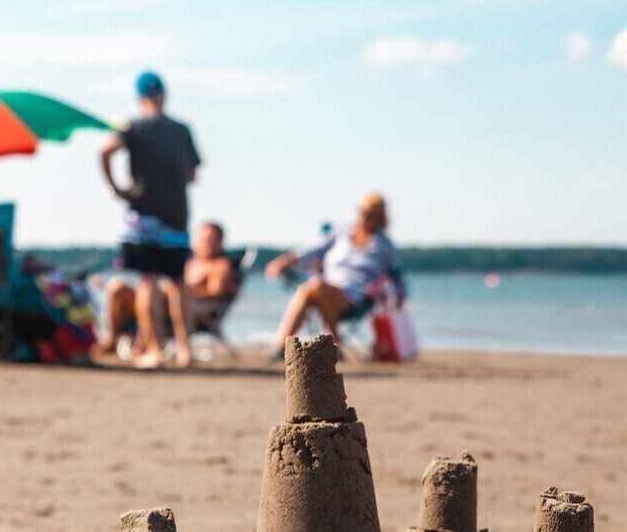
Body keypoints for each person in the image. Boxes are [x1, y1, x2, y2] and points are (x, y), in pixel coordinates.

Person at [100, 71, 202, 368]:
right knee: (179, 281)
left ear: (140, 97)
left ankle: (155, 350)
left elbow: (105, 150)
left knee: (148, 282)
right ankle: (185, 350)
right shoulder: (182, 130)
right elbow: (192, 175)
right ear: (164, 95)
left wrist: (115, 187)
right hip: (176, 214)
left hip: (143, 215)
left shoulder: (131, 127)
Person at [264, 191, 404, 352]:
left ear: (380, 218)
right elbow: (313, 250)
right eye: (361, 211)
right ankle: (284, 346)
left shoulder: (384, 245)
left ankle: (329, 346)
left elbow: (397, 275)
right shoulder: (341, 232)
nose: (364, 217)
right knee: (308, 290)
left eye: (370, 214)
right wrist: (285, 260)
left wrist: (400, 299)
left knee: (315, 287)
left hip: (356, 298)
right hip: (324, 288)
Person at [97, 222, 239, 355]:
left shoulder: (221, 266)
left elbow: (215, 293)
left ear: (221, 242)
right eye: (203, 239)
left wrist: (179, 293)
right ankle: (111, 340)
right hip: (166, 298)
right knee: (117, 288)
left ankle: (145, 343)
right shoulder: (190, 262)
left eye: (212, 239)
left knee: (158, 295)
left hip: (191, 311)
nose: (207, 243)